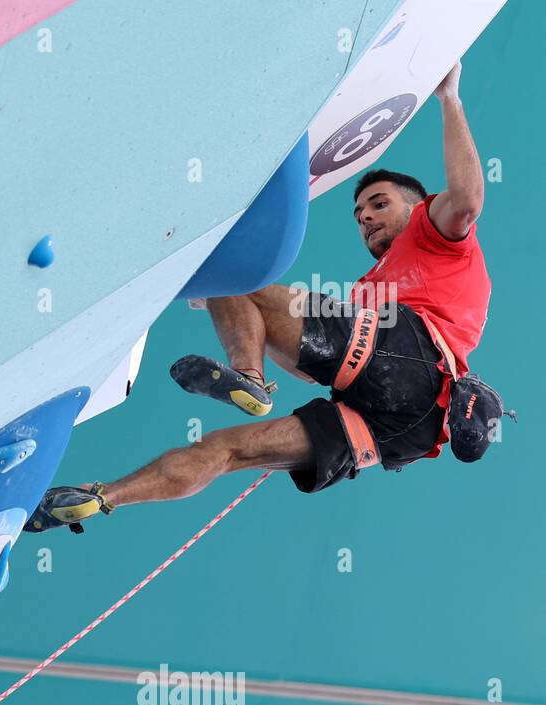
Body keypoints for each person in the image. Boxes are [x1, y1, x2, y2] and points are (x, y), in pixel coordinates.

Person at [27, 62, 490, 534]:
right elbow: (309, 365)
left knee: (233, 275)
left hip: (414, 361)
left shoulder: (434, 234)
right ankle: (103, 495)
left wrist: (449, 98)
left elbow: (468, 200)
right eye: (357, 213)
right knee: (225, 450)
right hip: (402, 431)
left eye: (378, 203)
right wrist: (223, 302)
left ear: (416, 206)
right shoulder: (368, 292)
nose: (365, 217)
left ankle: (249, 377)